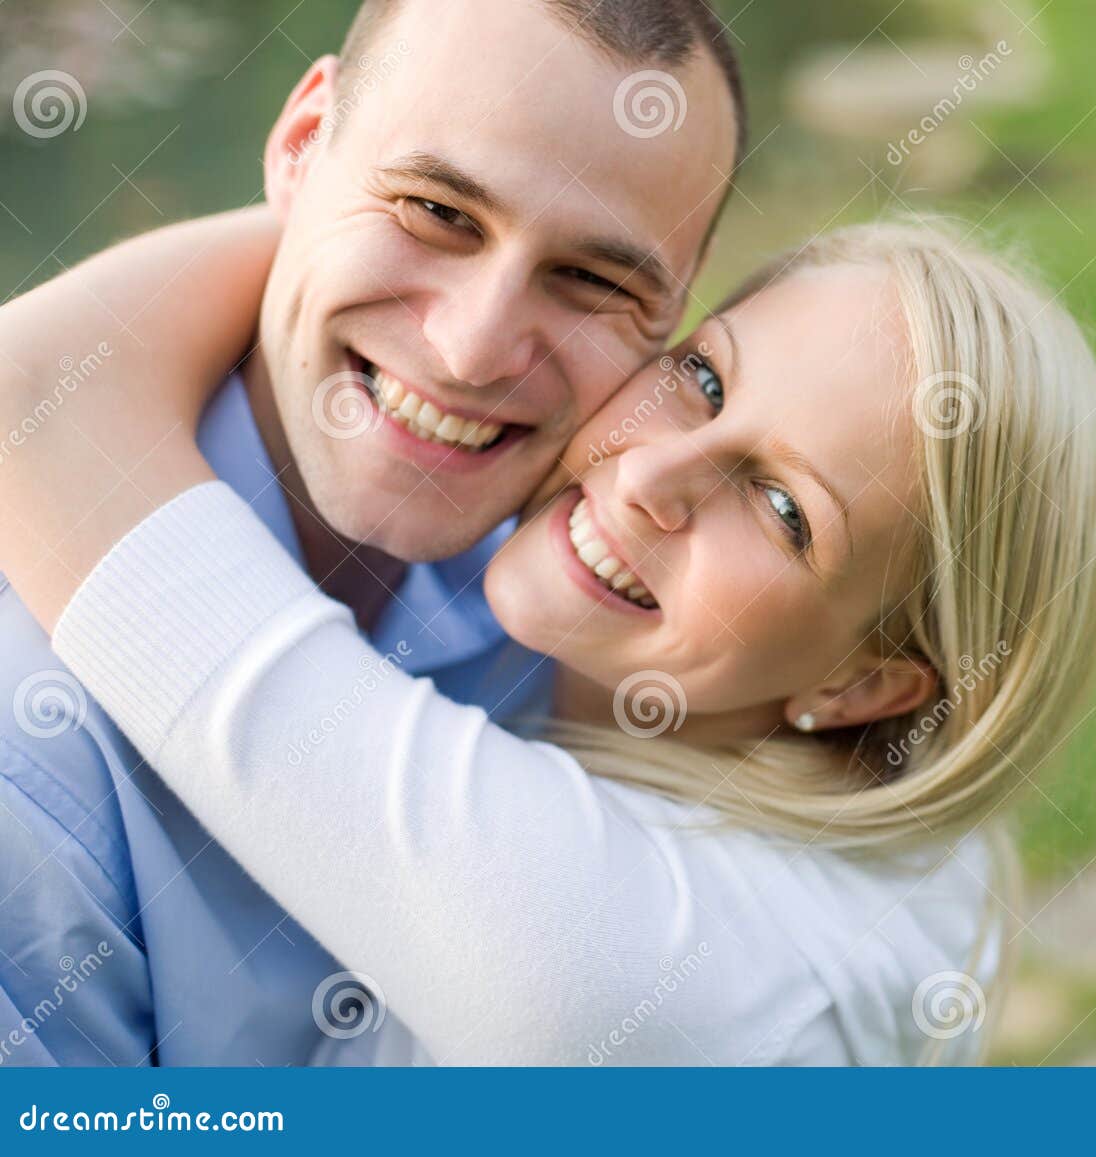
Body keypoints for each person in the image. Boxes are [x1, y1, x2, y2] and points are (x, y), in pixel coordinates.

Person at [0, 203, 1096, 1063]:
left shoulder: (626, 961)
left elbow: (36, 407)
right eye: (702, 376)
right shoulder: (897, 828)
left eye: (784, 511)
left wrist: (359, 211)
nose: (650, 475)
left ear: (867, 683)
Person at [0, 0, 743, 1066]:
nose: (472, 348)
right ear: (303, 146)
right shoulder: (29, 768)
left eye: (592, 280)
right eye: (437, 210)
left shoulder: (596, 603)